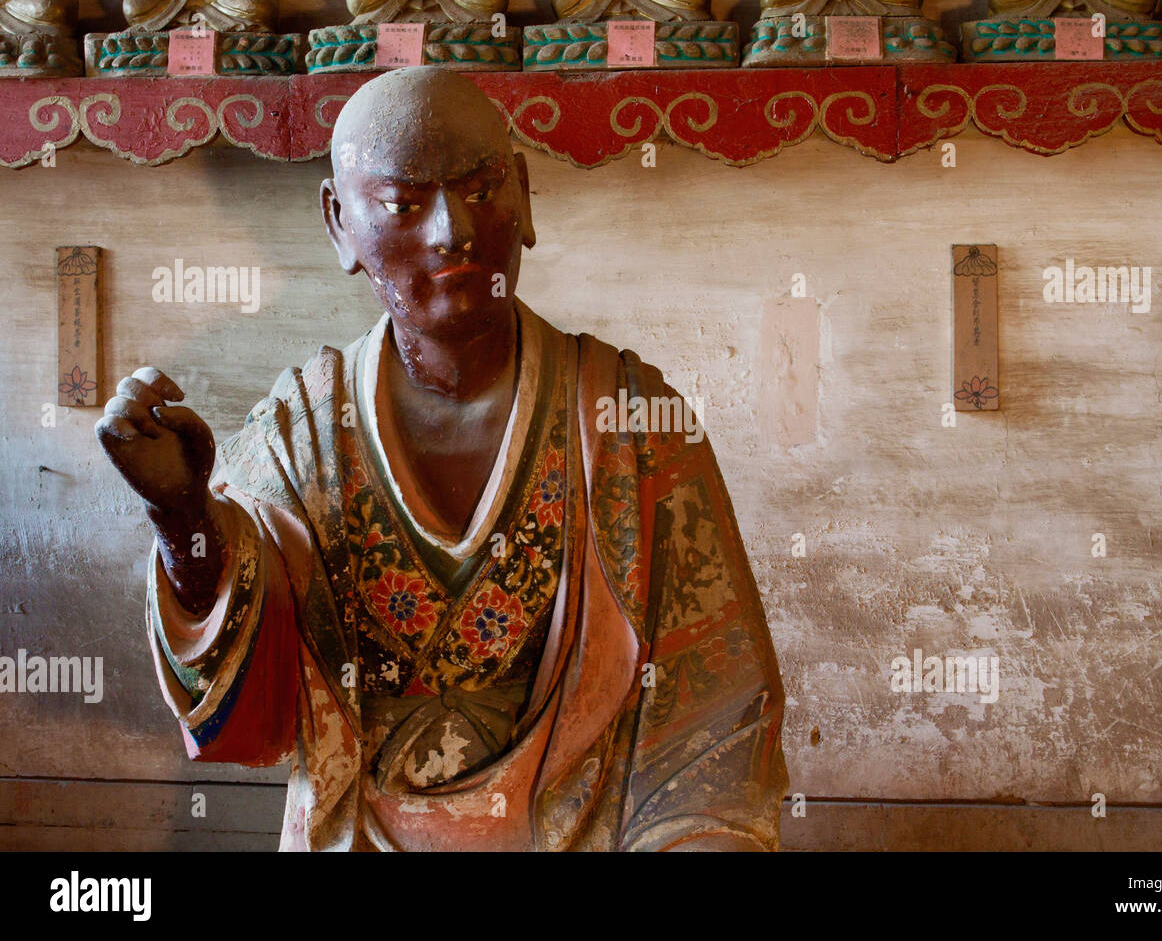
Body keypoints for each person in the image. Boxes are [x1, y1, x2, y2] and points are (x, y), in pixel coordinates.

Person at [95, 67, 788, 852]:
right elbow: (239, 711)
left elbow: (716, 715)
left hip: (587, 828)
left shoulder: (629, 423)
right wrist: (181, 517)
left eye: (482, 189)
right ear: (339, 223)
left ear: (525, 195)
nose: (450, 231)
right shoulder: (304, 435)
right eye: (402, 204)